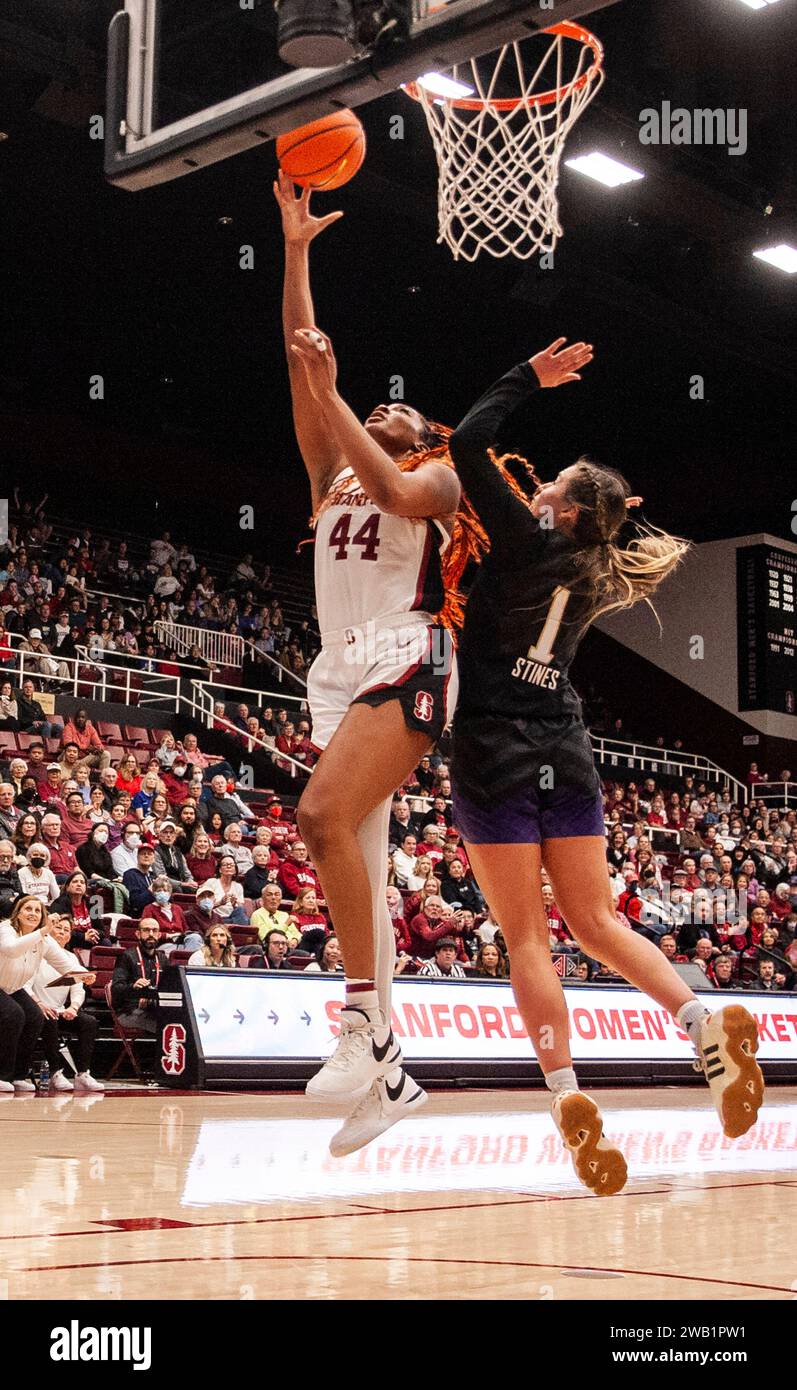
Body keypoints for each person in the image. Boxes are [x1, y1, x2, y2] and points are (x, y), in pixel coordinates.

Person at [447, 336, 764, 1194]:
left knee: (526, 938)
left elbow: (469, 443)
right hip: (564, 744)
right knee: (595, 922)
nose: (537, 484)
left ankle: (565, 1095)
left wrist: (526, 378)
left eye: (552, 483)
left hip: (492, 745)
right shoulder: (595, 567)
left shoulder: (525, 538)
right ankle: (698, 1018)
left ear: (567, 510)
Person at [274, 170, 488, 1156]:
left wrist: (336, 392)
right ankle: (389, 1063)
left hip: (409, 649)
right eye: (379, 410)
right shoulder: (328, 479)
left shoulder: (437, 478)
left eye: (405, 412)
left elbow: (393, 483)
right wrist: (295, 248)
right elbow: (297, 357)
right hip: (336, 669)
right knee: (346, 854)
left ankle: (361, 1023)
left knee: (319, 817)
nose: (391, 413)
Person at [0, 896, 83, 1091]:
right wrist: (43, 931)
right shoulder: (6, 929)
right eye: (28, 909)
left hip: (12, 988)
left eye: (37, 910)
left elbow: (65, 963)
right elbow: (11, 950)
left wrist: (84, 975)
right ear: (18, 913)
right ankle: (2, 1074)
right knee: (14, 1014)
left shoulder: (43, 940)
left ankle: (18, 1076)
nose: (33, 913)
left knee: (36, 1017)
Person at [30, 915, 104, 1091]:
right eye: (58, 927)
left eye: (66, 930)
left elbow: (78, 987)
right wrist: (39, 1004)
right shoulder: (36, 952)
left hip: (61, 1010)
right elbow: (26, 983)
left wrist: (74, 1007)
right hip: (37, 1008)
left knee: (89, 1022)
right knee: (51, 1019)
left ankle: (82, 1074)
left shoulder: (71, 958)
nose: (62, 932)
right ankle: (56, 1072)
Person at [110, 918, 168, 1034]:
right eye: (146, 930)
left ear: (159, 934)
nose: (151, 934)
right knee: (167, 1028)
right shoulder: (126, 956)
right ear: (138, 934)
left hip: (155, 1009)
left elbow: (168, 988)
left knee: (180, 1021)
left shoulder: (163, 959)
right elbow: (116, 989)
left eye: (154, 930)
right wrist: (134, 988)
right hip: (129, 1011)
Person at [50, 869, 102, 948]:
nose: (79, 884)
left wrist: (94, 933)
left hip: (90, 939)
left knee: (105, 942)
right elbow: (60, 930)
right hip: (71, 940)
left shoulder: (93, 903)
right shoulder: (59, 903)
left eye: (82, 882)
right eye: (75, 882)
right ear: (67, 887)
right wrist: (83, 936)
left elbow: (101, 929)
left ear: (85, 887)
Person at [202, 853, 248, 924]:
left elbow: (240, 910)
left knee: (241, 911)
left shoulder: (238, 886)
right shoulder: (211, 882)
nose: (229, 866)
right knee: (244, 921)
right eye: (225, 865)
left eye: (232, 865)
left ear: (235, 870)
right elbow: (203, 907)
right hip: (214, 918)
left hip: (232, 918)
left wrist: (234, 904)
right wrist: (220, 903)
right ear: (220, 870)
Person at [122, 842, 158, 917]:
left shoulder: (154, 876)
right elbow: (135, 903)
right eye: (143, 853)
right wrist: (151, 890)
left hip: (156, 914)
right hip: (140, 916)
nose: (146, 856)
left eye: (149, 854)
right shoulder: (130, 874)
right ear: (137, 857)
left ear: (154, 859)